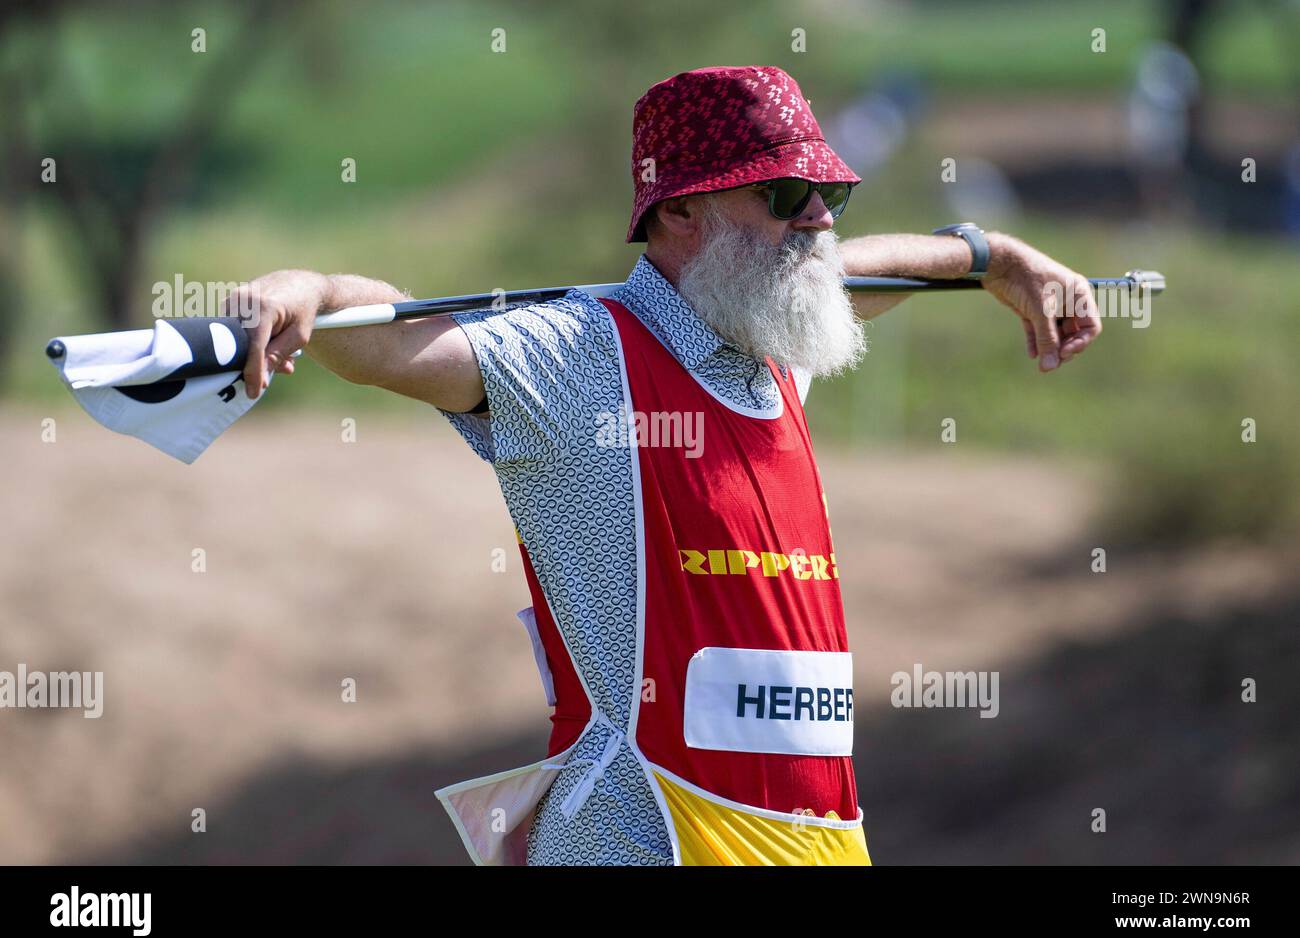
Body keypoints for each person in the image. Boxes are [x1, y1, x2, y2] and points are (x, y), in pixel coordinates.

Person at [229, 66, 1101, 865]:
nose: (822, 216)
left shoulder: (771, 335)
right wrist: (314, 290)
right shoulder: (580, 357)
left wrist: (990, 257)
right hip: (640, 837)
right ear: (681, 212)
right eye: (788, 192)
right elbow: (396, 342)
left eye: (829, 190)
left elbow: (848, 273)